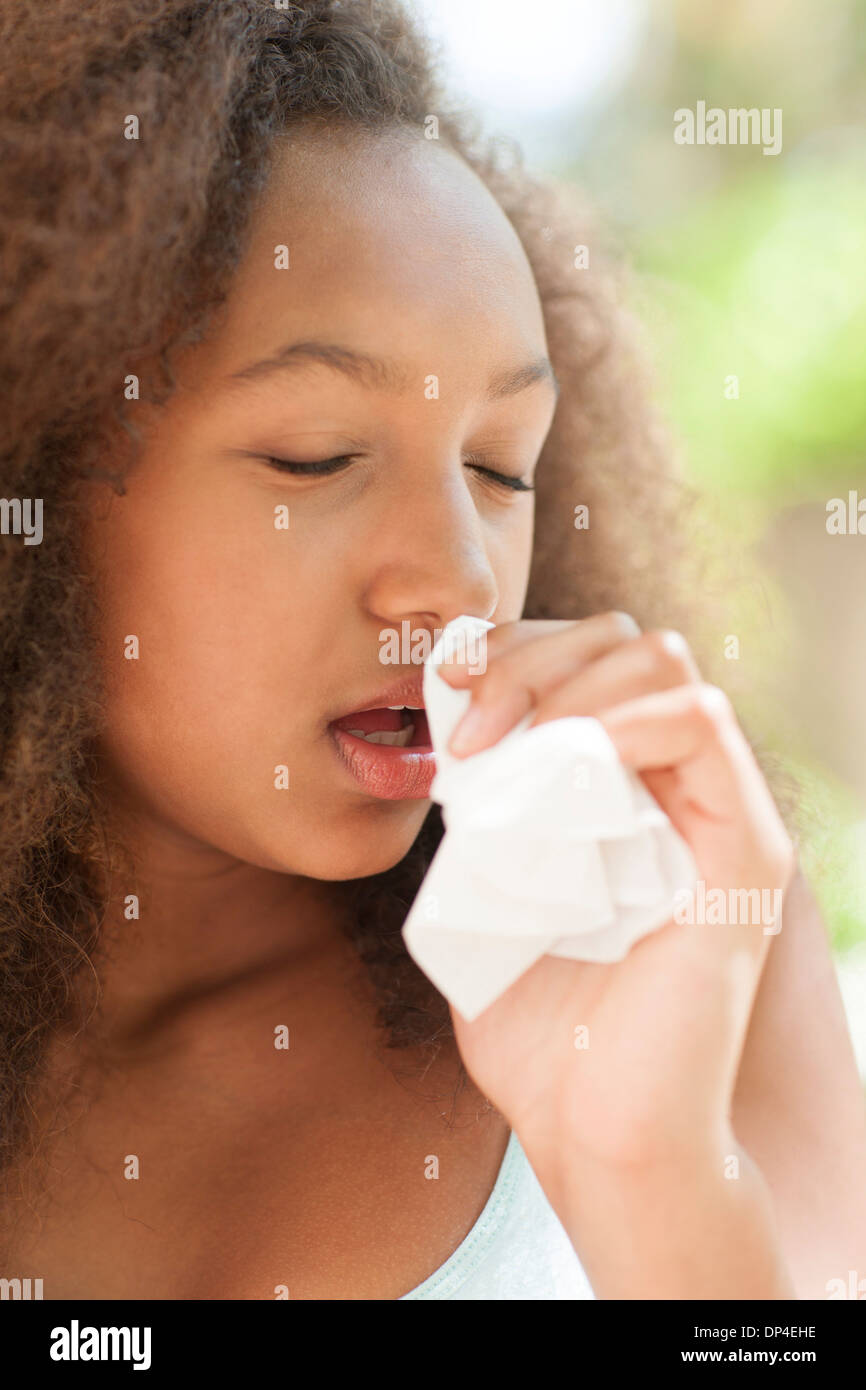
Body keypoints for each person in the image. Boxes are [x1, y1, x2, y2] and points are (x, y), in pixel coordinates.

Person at [1, 0, 864, 1301]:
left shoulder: (693, 931)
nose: (460, 577)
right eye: (317, 456)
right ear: (40, 475)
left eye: (498, 469)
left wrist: (648, 1178)